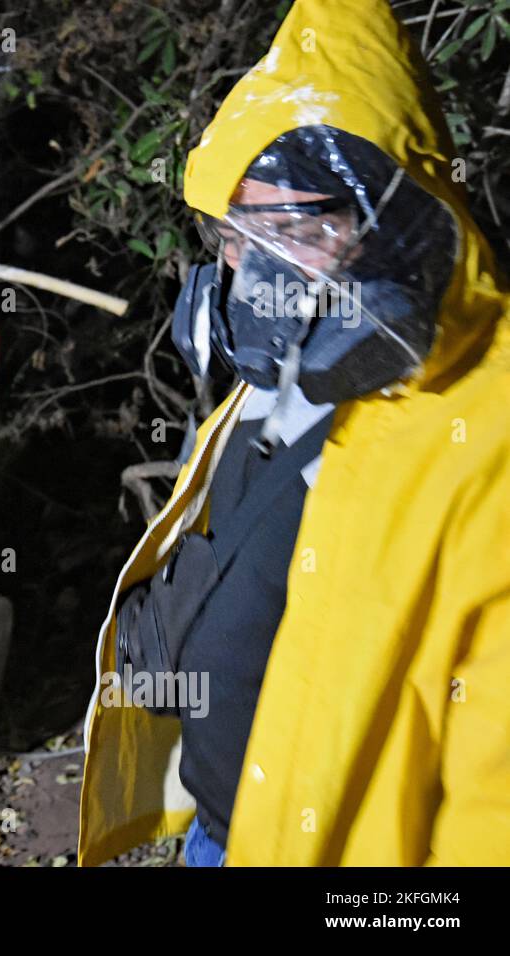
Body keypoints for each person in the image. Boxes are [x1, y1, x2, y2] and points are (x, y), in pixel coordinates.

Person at [78, 0, 510, 866]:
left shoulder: (481, 441)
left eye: (301, 231)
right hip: (224, 830)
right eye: (241, 237)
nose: (261, 277)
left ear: (394, 225)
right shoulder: (279, 385)